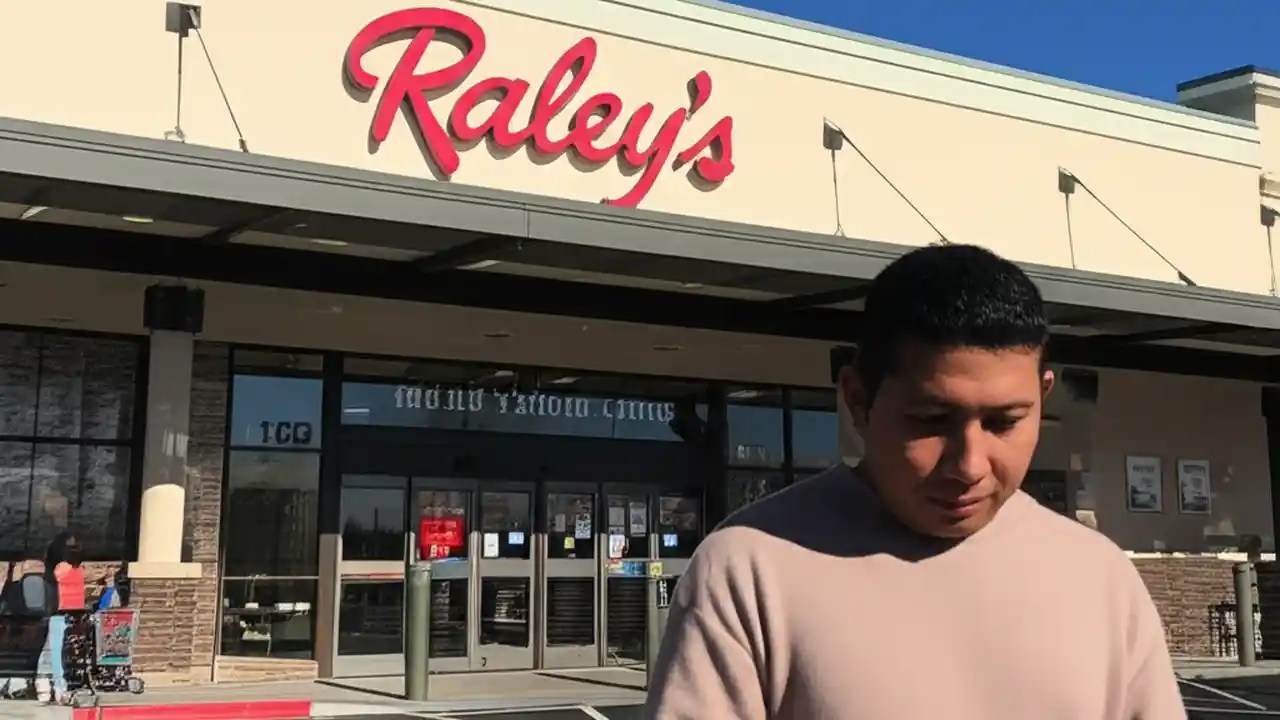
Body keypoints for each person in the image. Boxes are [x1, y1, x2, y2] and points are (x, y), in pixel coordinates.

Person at [644, 245, 1185, 719]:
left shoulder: (1098, 577)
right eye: (930, 421)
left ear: (1043, 397)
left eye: (1004, 422)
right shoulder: (748, 570)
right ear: (858, 400)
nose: (969, 463)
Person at [35, 533, 85, 704]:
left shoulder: (72, 568)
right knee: (56, 651)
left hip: (70, 613)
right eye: (72, 547)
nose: (76, 550)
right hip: (60, 613)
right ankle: (58, 686)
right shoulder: (62, 569)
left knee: (53, 650)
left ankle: (44, 682)